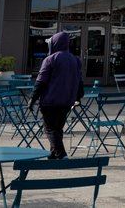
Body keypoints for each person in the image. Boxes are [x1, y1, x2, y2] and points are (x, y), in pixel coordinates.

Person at [29, 31, 84, 159]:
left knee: (50, 129)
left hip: (50, 100)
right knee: (58, 128)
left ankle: (61, 154)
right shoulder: (75, 60)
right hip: (67, 101)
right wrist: (78, 97)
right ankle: (53, 154)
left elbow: (41, 82)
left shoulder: (50, 59)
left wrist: (32, 98)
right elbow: (79, 81)